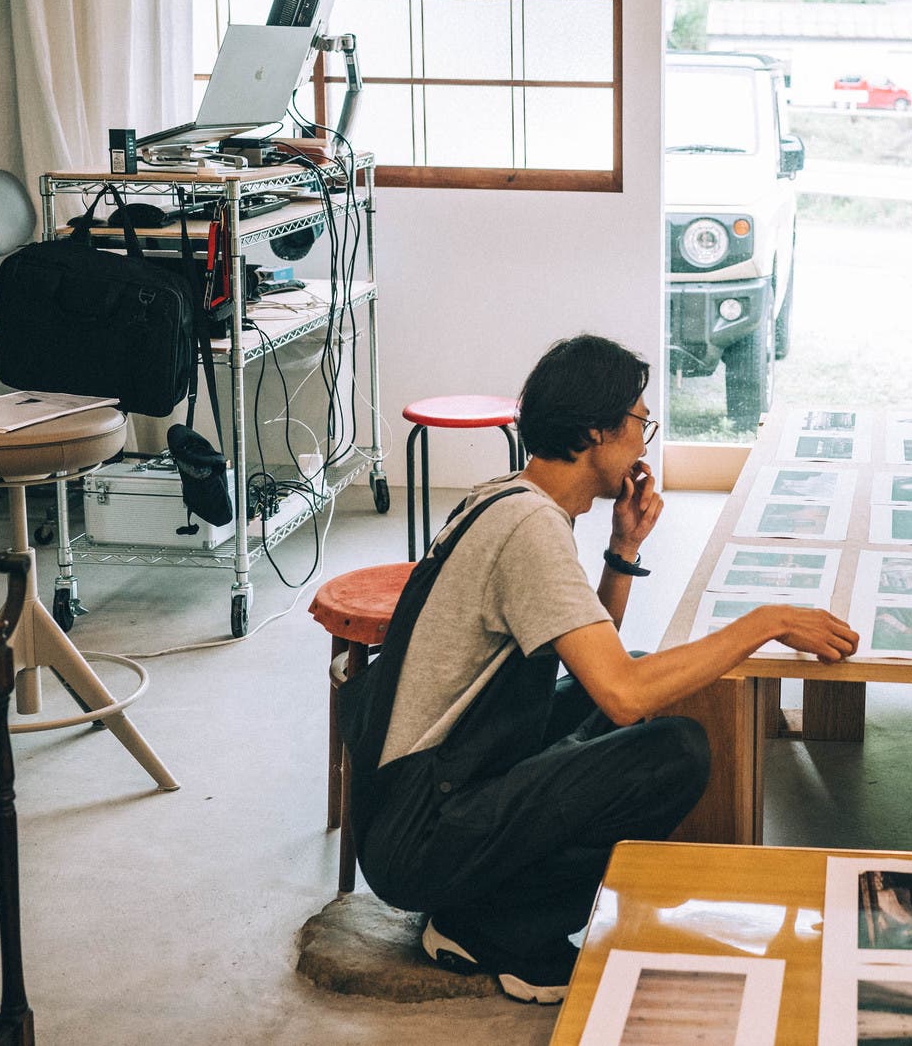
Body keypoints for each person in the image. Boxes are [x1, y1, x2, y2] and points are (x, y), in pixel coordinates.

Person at [352, 334, 858, 1003]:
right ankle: (501, 930)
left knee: (653, 684)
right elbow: (620, 697)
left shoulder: (508, 497)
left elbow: (597, 661)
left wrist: (622, 550)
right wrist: (764, 624)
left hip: (424, 797)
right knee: (673, 751)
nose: (645, 443)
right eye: (641, 423)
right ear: (597, 430)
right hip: (420, 831)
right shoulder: (530, 528)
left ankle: (479, 909)